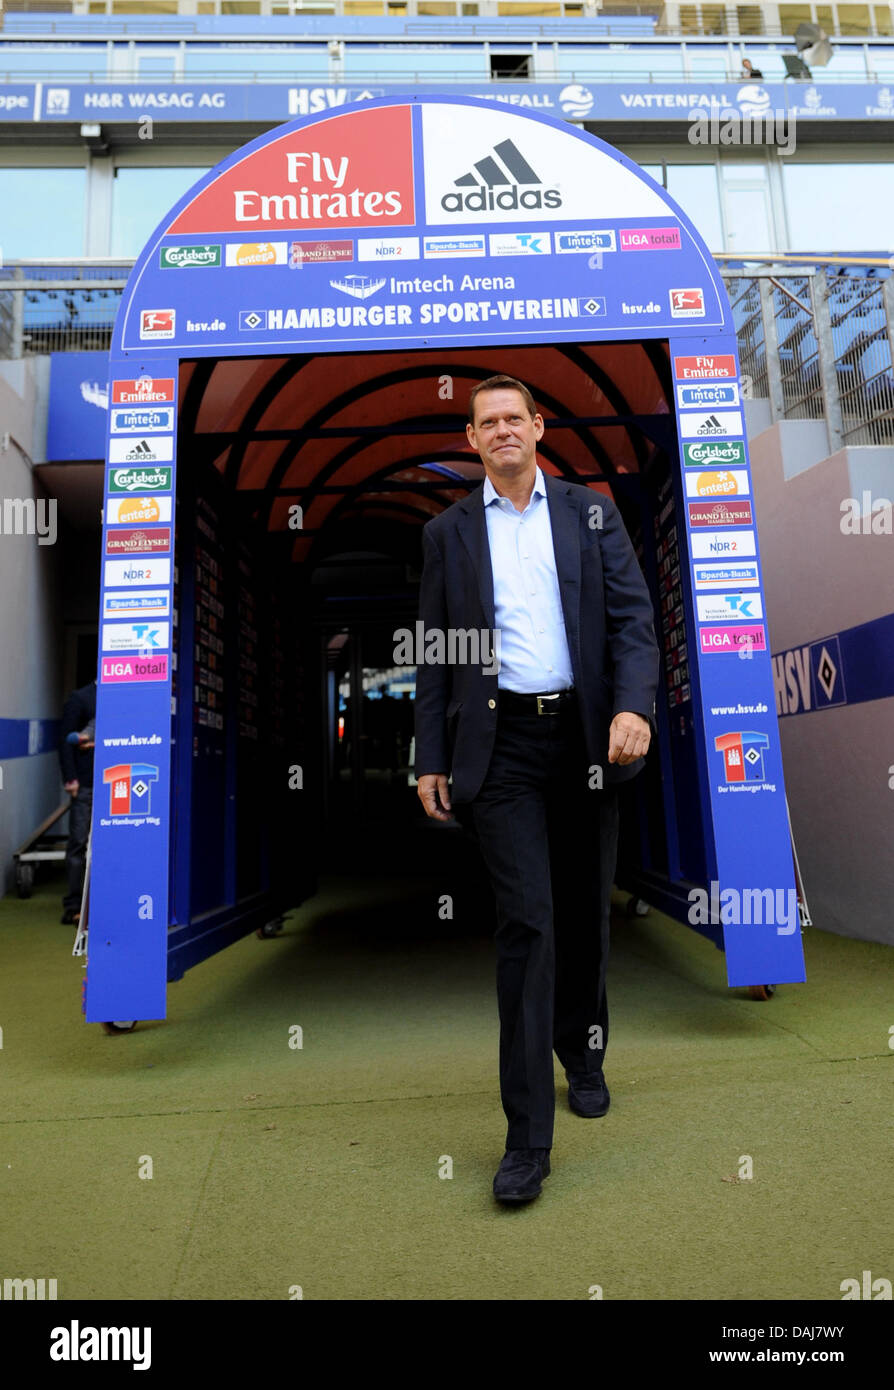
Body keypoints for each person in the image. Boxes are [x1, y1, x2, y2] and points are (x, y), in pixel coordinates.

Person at [414, 375, 659, 1204]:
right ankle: (526, 1139)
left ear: (539, 427)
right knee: (529, 923)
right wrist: (430, 757)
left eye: (514, 417)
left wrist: (633, 706)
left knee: (586, 909)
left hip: (586, 738)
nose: (503, 430)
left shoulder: (591, 513)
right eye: (488, 422)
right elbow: (438, 654)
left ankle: (582, 1051)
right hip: (502, 748)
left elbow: (633, 621)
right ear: (472, 441)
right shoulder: (446, 534)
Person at [59, 679, 96, 925]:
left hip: (115, 783)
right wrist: (71, 779)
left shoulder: (124, 695)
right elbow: (65, 741)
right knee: (79, 843)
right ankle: (73, 907)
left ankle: (102, 903)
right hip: (85, 784)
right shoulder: (81, 698)